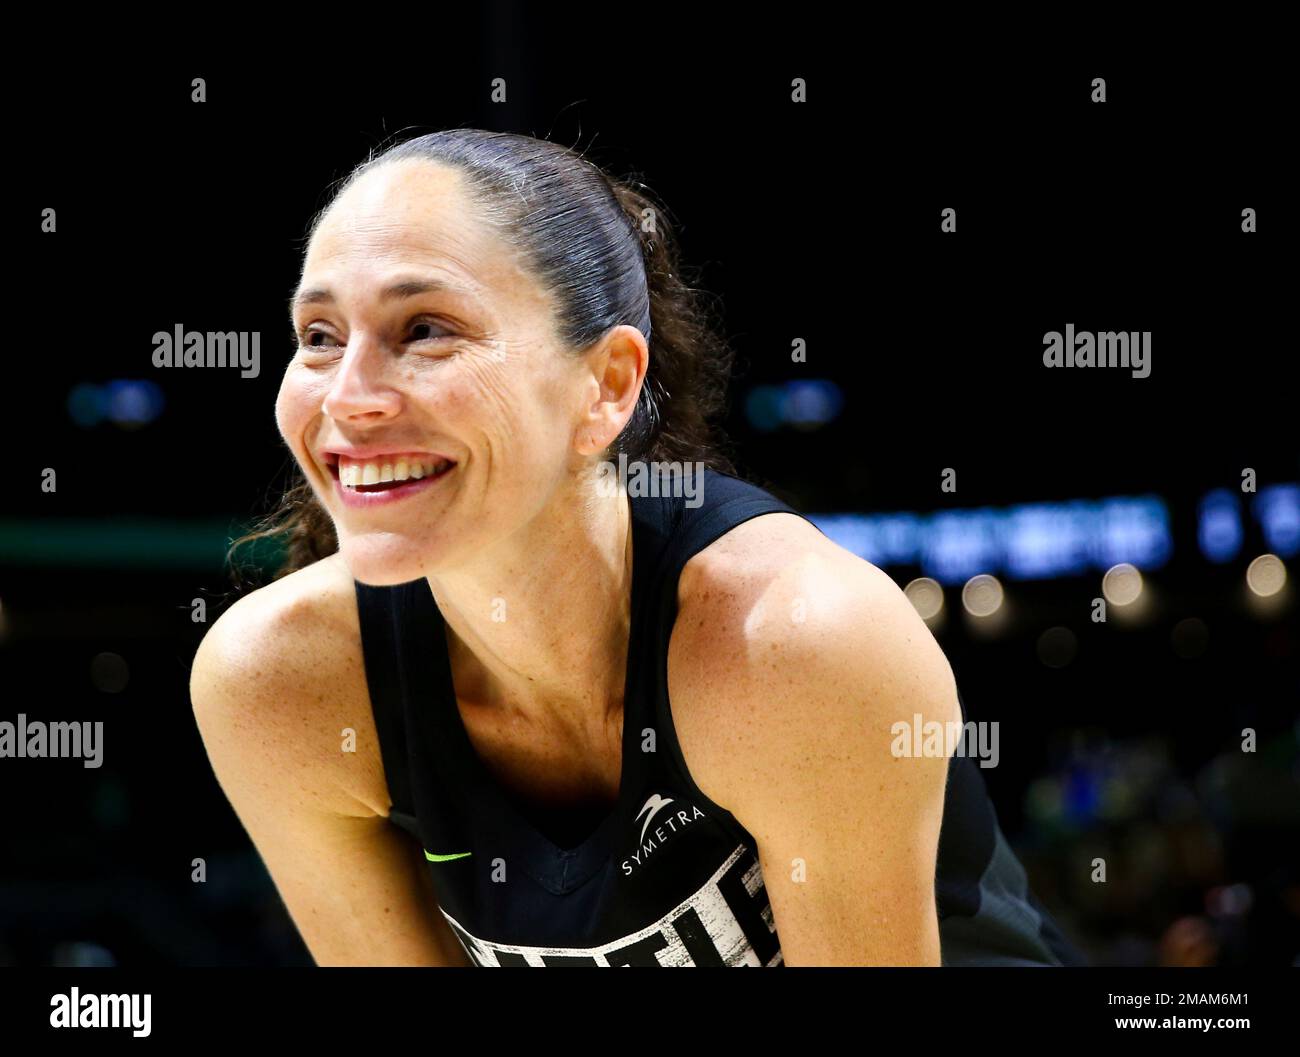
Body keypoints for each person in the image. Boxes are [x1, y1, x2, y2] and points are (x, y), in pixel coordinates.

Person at [191, 129, 1083, 967]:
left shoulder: (794, 642)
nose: (349, 396)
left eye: (425, 329)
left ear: (607, 385)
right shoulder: (277, 685)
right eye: (319, 337)